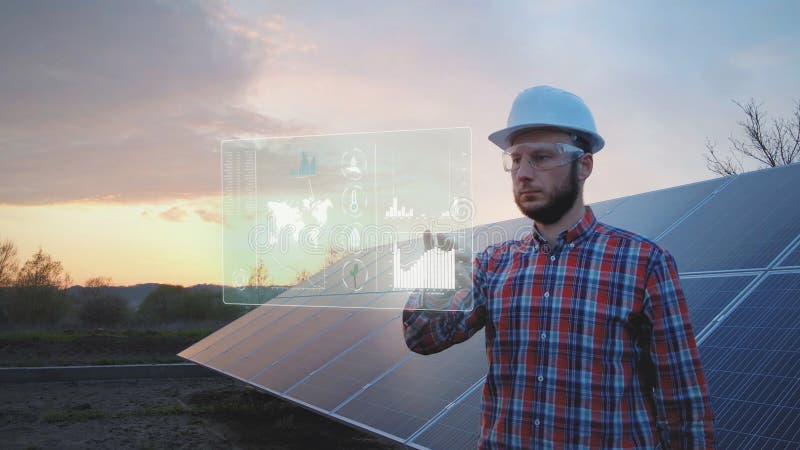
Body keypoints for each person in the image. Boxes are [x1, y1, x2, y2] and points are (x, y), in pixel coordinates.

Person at [402, 85, 715, 449]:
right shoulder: (493, 264)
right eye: (516, 159)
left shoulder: (643, 263)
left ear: (583, 165)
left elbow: (682, 402)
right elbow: (423, 339)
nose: (523, 173)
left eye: (541, 158)